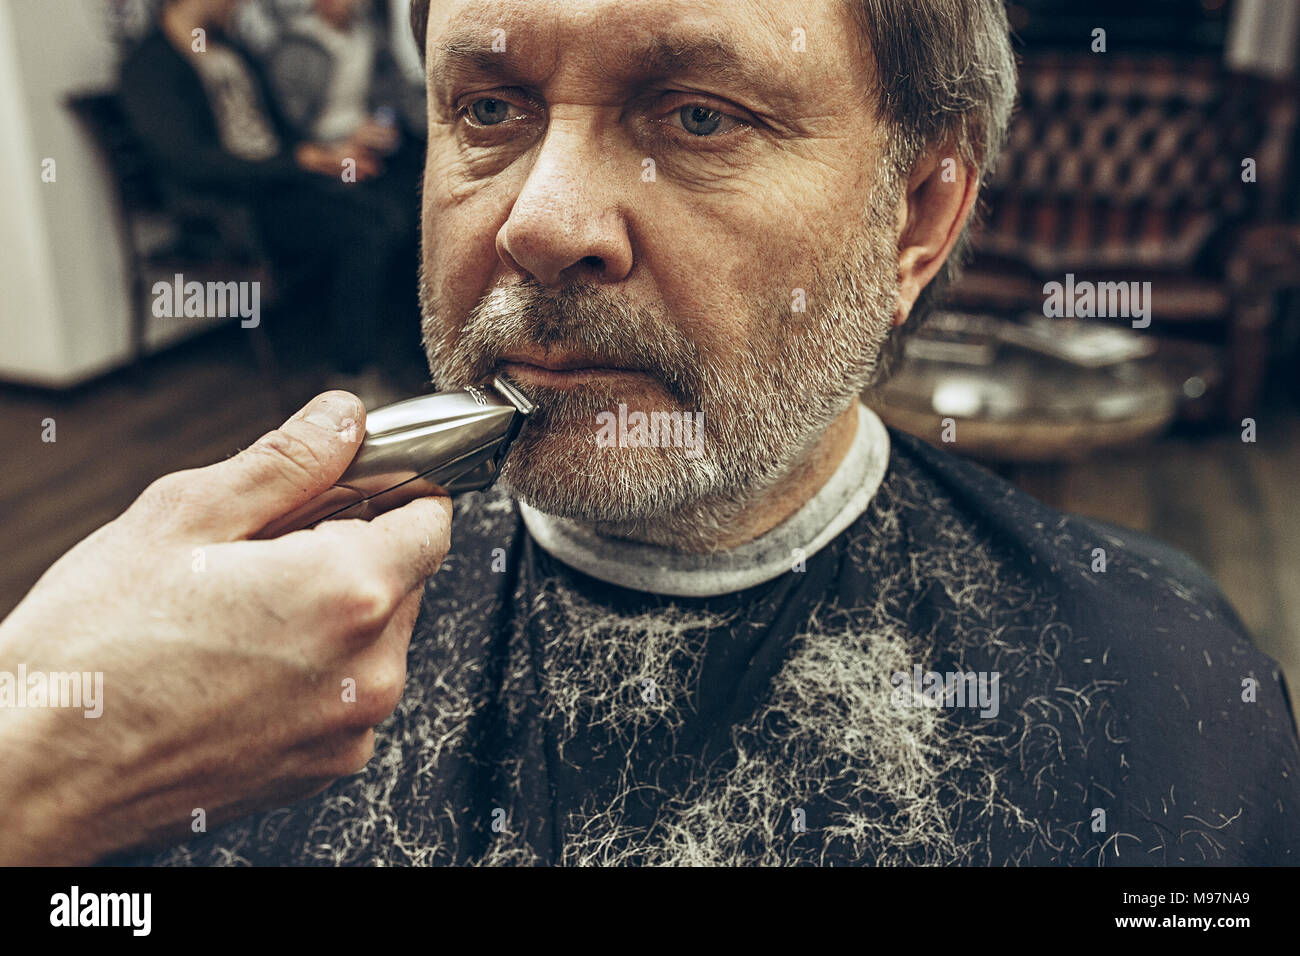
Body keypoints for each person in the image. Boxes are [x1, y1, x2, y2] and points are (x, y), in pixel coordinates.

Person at [3, 0, 1297, 865]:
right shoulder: (180, 679)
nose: (540, 221)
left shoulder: (1152, 686)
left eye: (697, 116)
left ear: (918, 217)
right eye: (491, 111)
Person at [118, 0, 417, 404]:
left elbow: (282, 131)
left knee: (393, 197)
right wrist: (303, 161)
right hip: (232, 209)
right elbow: (189, 162)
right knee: (363, 228)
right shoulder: (150, 64)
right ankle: (351, 374)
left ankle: (411, 355)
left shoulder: (231, 47)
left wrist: (327, 156)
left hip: (279, 182)